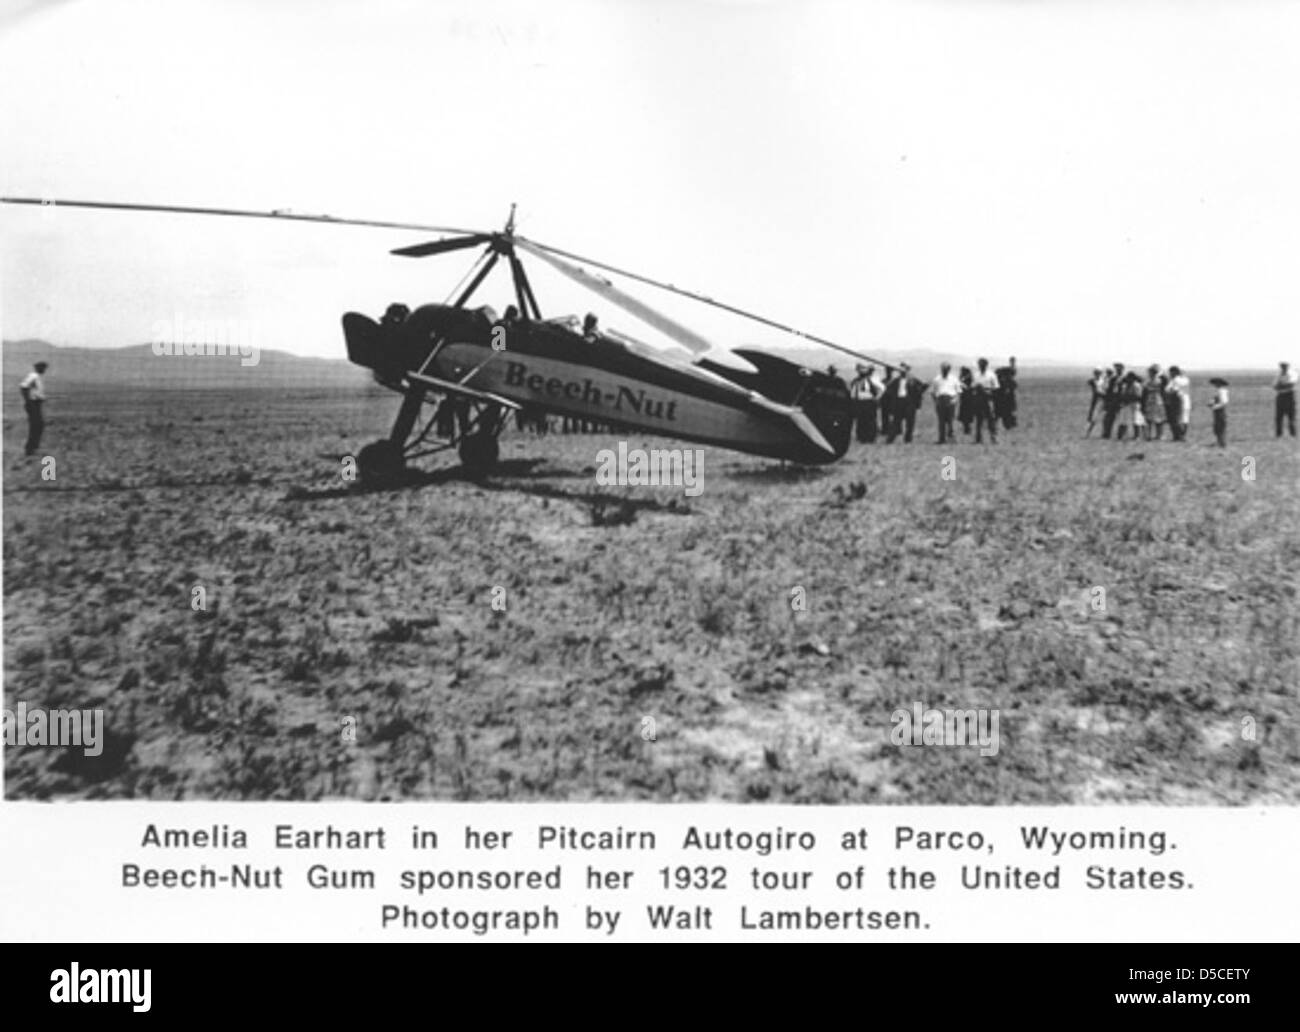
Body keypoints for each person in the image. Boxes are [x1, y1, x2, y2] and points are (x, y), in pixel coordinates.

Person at [19, 360, 49, 459]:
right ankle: (30, 449)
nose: (44, 370)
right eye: (43, 368)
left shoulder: (38, 377)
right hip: (33, 404)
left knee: (39, 425)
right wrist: (28, 401)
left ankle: (33, 448)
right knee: (36, 425)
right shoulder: (33, 376)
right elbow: (23, 387)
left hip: (36, 403)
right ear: (38, 368)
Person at [971, 358, 999, 444]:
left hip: (988, 397)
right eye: (980, 364)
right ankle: (978, 439)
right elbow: (972, 386)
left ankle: (993, 438)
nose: (981, 366)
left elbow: (996, 387)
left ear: (986, 365)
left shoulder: (991, 375)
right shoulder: (976, 375)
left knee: (990, 418)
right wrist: (976, 388)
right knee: (979, 419)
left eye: (982, 364)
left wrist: (987, 391)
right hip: (978, 398)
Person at [849, 364, 879, 444]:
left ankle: (871, 437)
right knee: (861, 420)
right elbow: (852, 394)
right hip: (860, 403)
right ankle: (862, 437)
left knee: (870, 420)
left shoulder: (869, 381)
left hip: (869, 402)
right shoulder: (855, 381)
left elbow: (875, 392)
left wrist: (875, 400)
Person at [931, 362, 960, 444]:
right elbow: (933, 392)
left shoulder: (954, 379)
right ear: (941, 369)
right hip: (940, 400)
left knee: (951, 420)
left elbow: (958, 391)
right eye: (943, 369)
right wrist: (936, 401)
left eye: (946, 369)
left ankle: (951, 439)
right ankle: (941, 439)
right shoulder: (937, 379)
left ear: (949, 370)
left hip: (951, 400)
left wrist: (955, 400)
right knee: (941, 421)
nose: (944, 371)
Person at [1101, 363, 1125, 439]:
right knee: (1108, 417)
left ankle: (1120, 435)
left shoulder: (1125, 378)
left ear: (1122, 369)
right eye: (1116, 368)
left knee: (1122, 417)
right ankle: (1106, 433)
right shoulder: (1113, 378)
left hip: (1121, 399)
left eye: (1119, 368)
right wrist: (1107, 400)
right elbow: (1109, 390)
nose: (1117, 370)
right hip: (1113, 399)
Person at [1142, 365, 1166, 441]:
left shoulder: (1158, 380)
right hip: (1151, 400)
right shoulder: (1148, 381)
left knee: (1158, 419)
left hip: (1157, 400)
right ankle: (1148, 435)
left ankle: (1159, 435)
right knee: (1149, 418)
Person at [1167, 365, 1191, 441]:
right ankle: (1183, 435)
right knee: (1185, 418)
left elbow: (1171, 390)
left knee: (1176, 419)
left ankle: (1179, 436)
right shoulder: (1186, 379)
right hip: (1186, 399)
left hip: (1177, 400)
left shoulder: (1175, 380)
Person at [994, 356, 1018, 430]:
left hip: (1006, 398)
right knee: (1003, 412)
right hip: (1003, 398)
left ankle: (1007, 425)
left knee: (1005, 412)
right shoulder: (1007, 379)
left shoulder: (1009, 380)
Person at [1274, 361, 1297, 438]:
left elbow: (1291, 384)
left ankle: (1293, 434)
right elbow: (1275, 386)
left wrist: (1281, 386)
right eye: (1282, 366)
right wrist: (1282, 386)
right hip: (1280, 397)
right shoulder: (1279, 374)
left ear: (1287, 366)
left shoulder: (1292, 374)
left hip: (1289, 396)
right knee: (1278, 417)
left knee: (1291, 416)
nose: (1283, 368)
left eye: (1284, 366)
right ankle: (1279, 434)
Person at [1209, 377, 1229, 447]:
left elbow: (1224, 402)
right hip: (1217, 411)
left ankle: (1222, 443)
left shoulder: (1222, 391)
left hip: (1220, 411)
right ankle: (1219, 442)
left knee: (1220, 427)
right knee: (1217, 427)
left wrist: (1215, 407)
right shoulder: (1219, 391)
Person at [1085, 368, 1107, 436]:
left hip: (1102, 400)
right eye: (1096, 373)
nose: (1097, 374)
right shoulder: (1093, 381)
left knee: (1103, 417)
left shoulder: (1103, 380)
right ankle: (1088, 432)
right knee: (1093, 418)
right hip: (1097, 401)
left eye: (1098, 373)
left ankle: (1104, 432)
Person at [957, 366, 975, 435]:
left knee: (966, 414)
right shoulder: (966, 378)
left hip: (967, 399)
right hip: (965, 399)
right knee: (966, 415)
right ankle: (967, 428)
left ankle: (967, 429)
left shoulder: (967, 379)